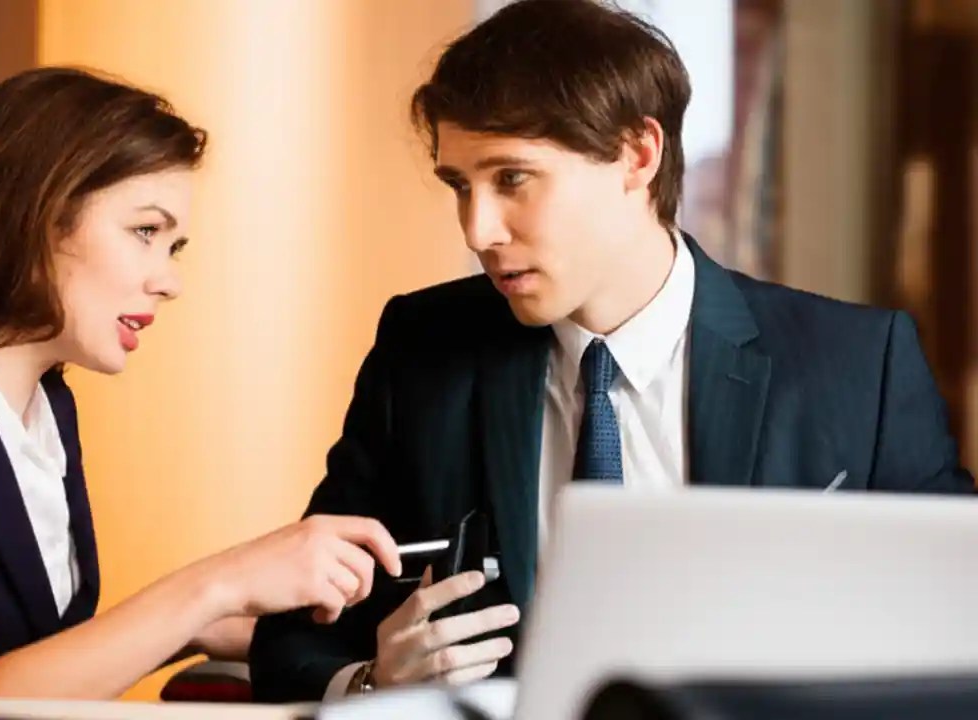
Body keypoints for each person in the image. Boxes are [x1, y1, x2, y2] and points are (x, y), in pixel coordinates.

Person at [249, 0, 976, 702]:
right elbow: (291, 642)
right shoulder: (422, 352)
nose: (478, 230)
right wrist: (376, 681)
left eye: (511, 179)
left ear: (637, 153)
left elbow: (957, 624)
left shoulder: (857, 365)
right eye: (458, 186)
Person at [0, 67, 402, 698]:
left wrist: (198, 628)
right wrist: (216, 585)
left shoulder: (47, 407)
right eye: (146, 231)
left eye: (173, 248)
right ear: (35, 216)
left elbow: (21, 661)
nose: (168, 281)